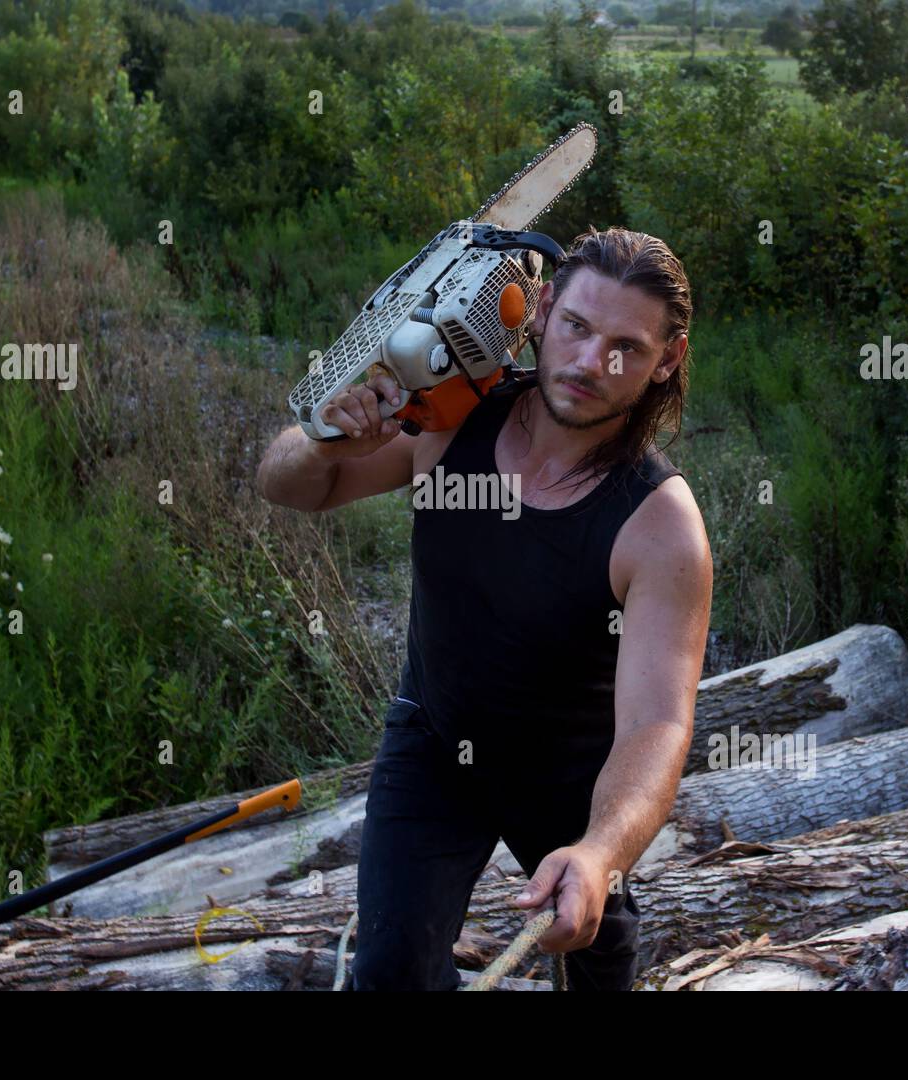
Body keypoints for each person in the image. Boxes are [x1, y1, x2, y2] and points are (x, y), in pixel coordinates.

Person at [256, 226, 712, 990]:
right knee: (392, 972)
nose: (591, 363)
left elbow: (657, 725)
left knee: (596, 957)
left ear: (668, 359)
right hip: (435, 740)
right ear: (538, 311)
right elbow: (290, 486)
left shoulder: (660, 526)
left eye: (627, 348)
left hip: (573, 776)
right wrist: (327, 441)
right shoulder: (451, 420)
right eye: (576, 327)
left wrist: (600, 852)